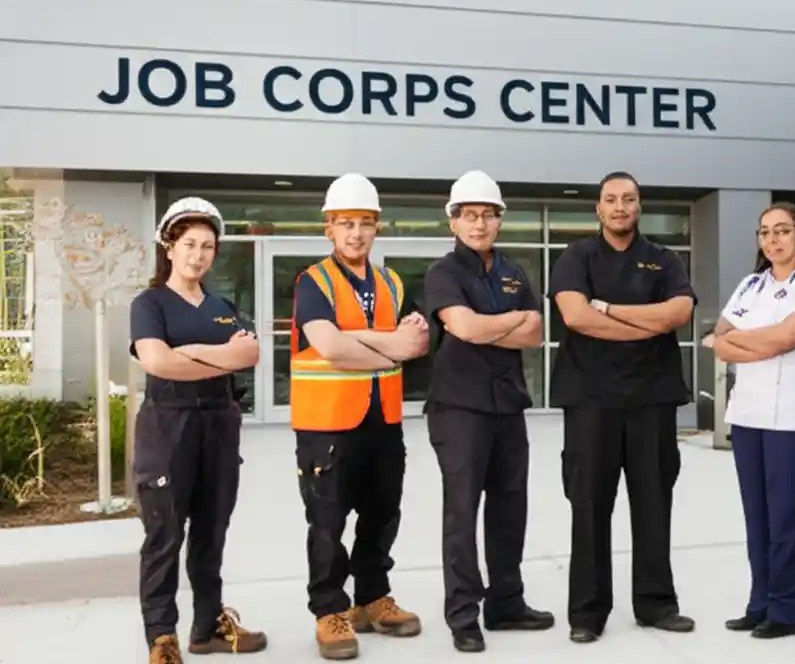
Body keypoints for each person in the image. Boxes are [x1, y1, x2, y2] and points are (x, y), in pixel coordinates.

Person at [548, 171, 697, 644]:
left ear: (639, 206)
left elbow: (679, 313)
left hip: (652, 400)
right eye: (610, 199)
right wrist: (645, 326)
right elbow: (574, 316)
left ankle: (656, 604)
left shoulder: (663, 259)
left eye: (628, 199)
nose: (619, 207)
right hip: (591, 401)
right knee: (589, 504)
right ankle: (588, 611)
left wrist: (609, 311)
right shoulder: (577, 257)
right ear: (598, 208)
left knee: (654, 502)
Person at [290, 173, 430, 661]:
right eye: (345, 223)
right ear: (328, 229)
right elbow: (328, 346)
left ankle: (372, 598)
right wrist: (389, 349)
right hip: (326, 426)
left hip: (383, 423)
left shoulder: (391, 282)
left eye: (364, 224)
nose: (355, 233)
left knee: (381, 515)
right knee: (326, 522)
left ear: (377, 229)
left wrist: (371, 346)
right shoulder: (314, 282)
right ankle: (330, 609)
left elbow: (417, 342)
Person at [420, 171, 555, 653]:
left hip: (507, 406)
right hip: (460, 409)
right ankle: (462, 614)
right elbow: (464, 328)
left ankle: (506, 602)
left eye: (487, 214)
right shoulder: (443, 274)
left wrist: (491, 326)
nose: (478, 223)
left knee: (509, 505)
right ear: (453, 221)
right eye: (468, 215)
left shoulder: (516, 271)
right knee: (462, 511)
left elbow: (535, 333)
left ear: (500, 219)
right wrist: (506, 322)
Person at [129, 196, 268, 664]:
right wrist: (217, 357)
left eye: (208, 246)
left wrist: (185, 354)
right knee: (164, 535)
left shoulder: (223, 305)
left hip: (219, 427)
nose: (199, 254)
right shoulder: (149, 304)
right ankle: (161, 637)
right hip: (168, 429)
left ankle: (206, 627)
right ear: (169, 247)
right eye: (190, 244)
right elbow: (155, 361)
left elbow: (249, 356)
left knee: (212, 533)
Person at [711, 202, 795, 640]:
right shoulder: (750, 285)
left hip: (791, 415)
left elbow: (789, 337)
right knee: (757, 516)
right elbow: (718, 342)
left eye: (782, 230)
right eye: (765, 232)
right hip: (748, 414)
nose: (773, 239)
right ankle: (759, 601)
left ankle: (787, 609)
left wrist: (745, 341)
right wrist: (757, 343)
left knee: (789, 517)